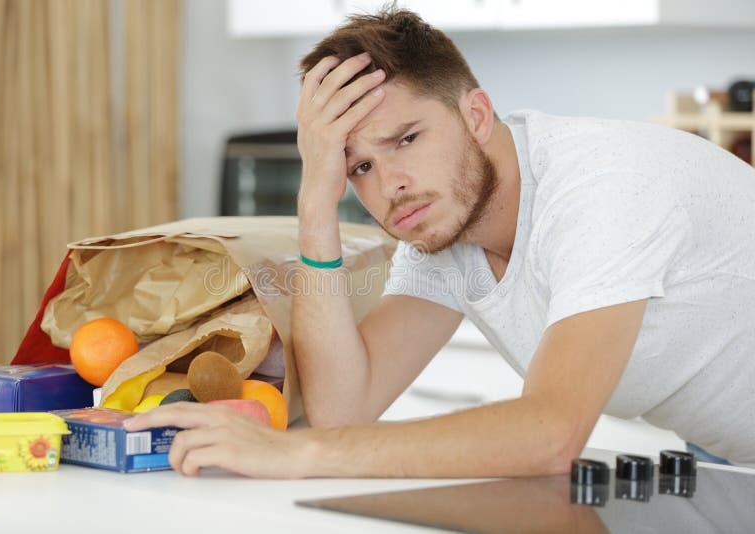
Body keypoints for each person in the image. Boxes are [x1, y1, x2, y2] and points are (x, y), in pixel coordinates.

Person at [125, 7, 755, 477]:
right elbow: (345, 409)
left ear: (477, 116)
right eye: (359, 168)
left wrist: (294, 451)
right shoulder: (447, 225)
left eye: (406, 139)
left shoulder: (603, 188)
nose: (391, 184)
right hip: (727, 452)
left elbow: (551, 433)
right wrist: (315, 204)